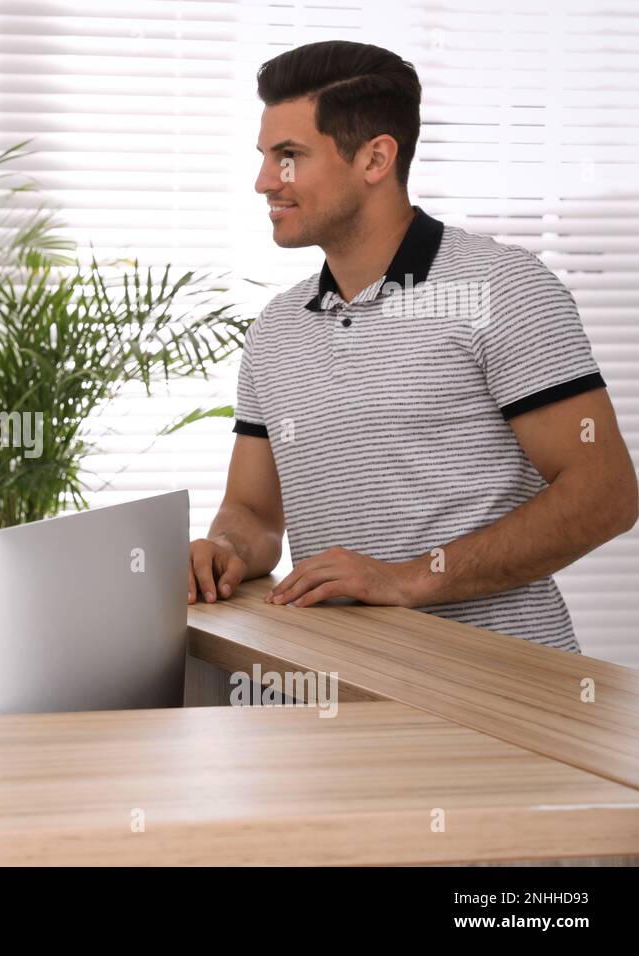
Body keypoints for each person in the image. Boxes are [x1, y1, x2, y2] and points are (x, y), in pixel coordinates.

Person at [188, 41, 637, 652]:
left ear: (375, 159)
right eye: (267, 156)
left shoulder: (503, 289)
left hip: (504, 694)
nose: (265, 180)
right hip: (342, 686)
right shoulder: (277, 326)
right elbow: (255, 513)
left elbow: (604, 495)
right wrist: (225, 551)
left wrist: (408, 579)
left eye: (289, 157)